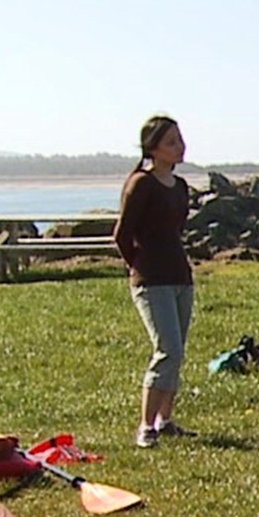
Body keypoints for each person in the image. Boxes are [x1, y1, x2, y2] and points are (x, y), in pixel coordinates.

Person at [113, 115, 197, 448]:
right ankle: (145, 426)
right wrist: (139, 265)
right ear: (153, 148)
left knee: (177, 353)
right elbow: (122, 234)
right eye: (171, 142)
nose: (180, 147)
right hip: (151, 281)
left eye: (180, 139)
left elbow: (176, 232)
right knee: (167, 350)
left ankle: (166, 420)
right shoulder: (141, 184)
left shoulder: (179, 187)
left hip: (180, 278)